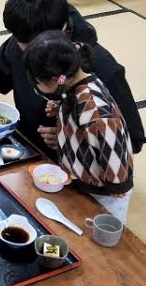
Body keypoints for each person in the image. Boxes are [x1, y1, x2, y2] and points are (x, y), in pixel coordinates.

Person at [0, 0, 146, 160]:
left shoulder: (102, 68)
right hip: (23, 144)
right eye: (19, 41)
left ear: (63, 28)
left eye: (29, 45)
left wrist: (72, 138)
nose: (22, 49)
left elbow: (132, 140)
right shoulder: (22, 39)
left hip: (74, 165)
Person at [23, 32, 135, 223]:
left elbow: (113, 144)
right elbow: (78, 114)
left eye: (37, 81)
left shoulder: (96, 112)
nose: (35, 85)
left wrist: (118, 184)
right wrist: (60, 109)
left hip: (103, 191)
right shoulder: (72, 87)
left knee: (98, 236)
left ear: (55, 79)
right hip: (78, 177)